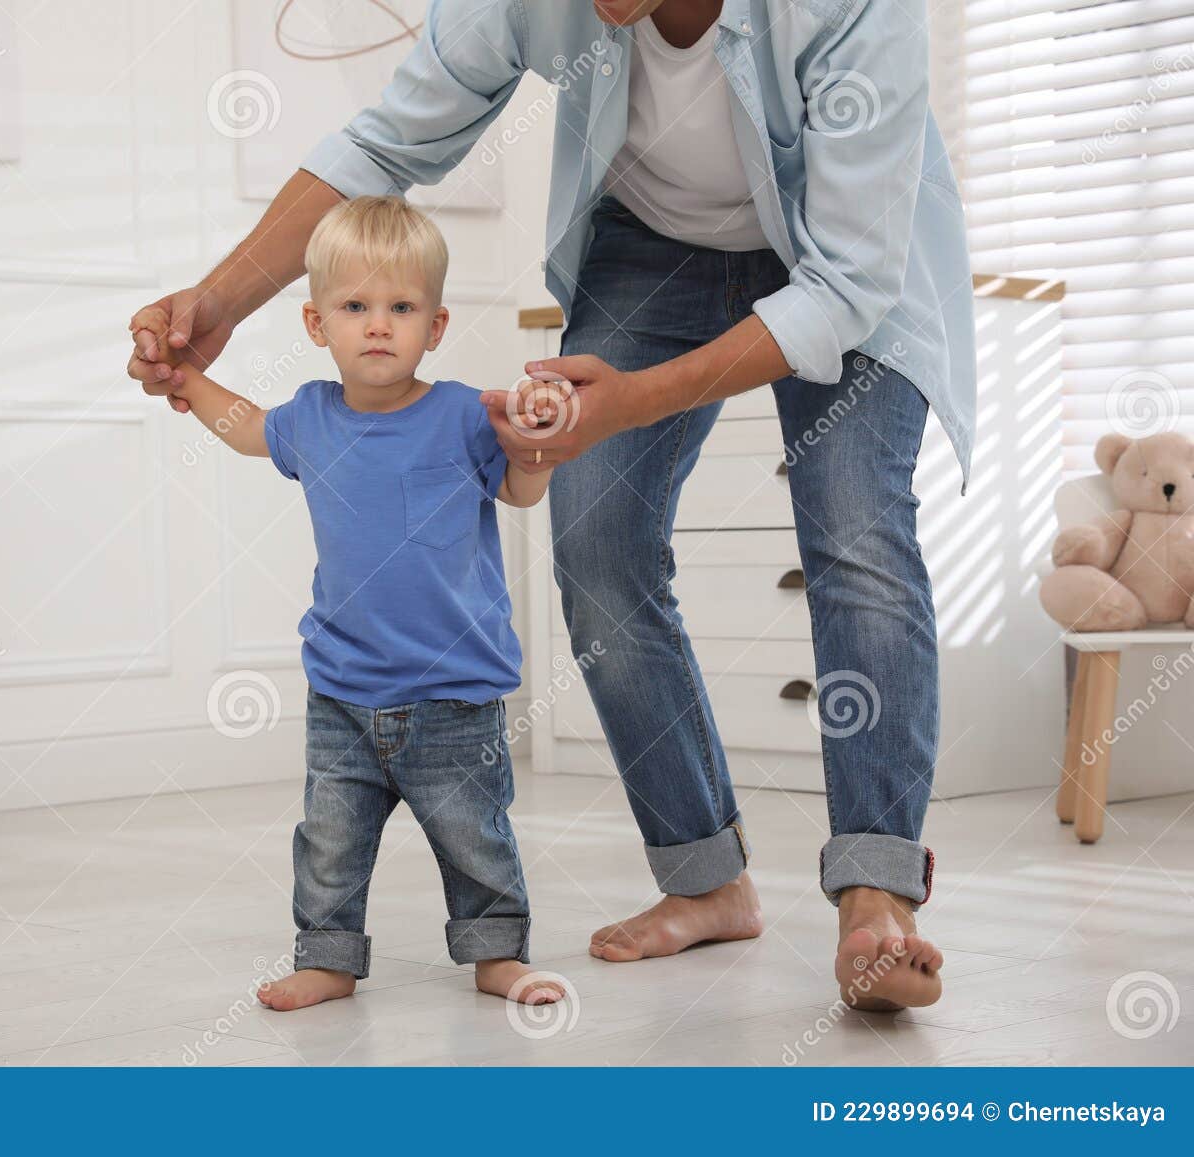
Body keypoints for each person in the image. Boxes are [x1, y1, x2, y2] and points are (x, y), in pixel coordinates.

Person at [130, 0, 970, 1012]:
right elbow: (383, 141)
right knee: (597, 540)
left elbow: (844, 285)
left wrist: (633, 398)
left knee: (854, 528)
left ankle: (875, 903)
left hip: (842, 253)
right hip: (653, 240)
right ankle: (707, 880)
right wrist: (215, 304)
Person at [137, 195, 567, 1010]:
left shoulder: (464, 415)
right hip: (342, 689)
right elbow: (246, 426)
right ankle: (328, 957)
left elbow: (519, 490)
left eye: (402, 308)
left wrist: (536, 449)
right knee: (329, 839)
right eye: (356, 307)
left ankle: (497, 953)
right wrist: (187, 381)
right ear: (316, 322)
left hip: (455, 694)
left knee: (477, 837)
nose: (378, 325)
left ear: (435, 327)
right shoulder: (310, 420)